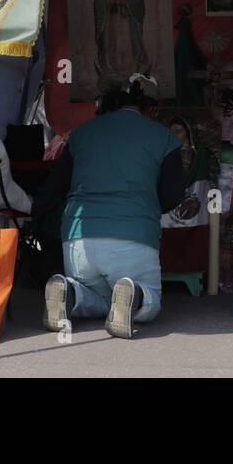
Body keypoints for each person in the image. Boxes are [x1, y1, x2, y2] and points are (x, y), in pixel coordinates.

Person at [40, 74, 186, 339]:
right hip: (134, 237)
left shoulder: (82, 133)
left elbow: (55, 186)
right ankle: (136, 294)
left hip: (77, 241)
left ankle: (68, 292)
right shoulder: (164, 137)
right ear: (151, 108)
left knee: (97, 297)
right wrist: (148, 208)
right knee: (149, 300)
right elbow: (174, 194)